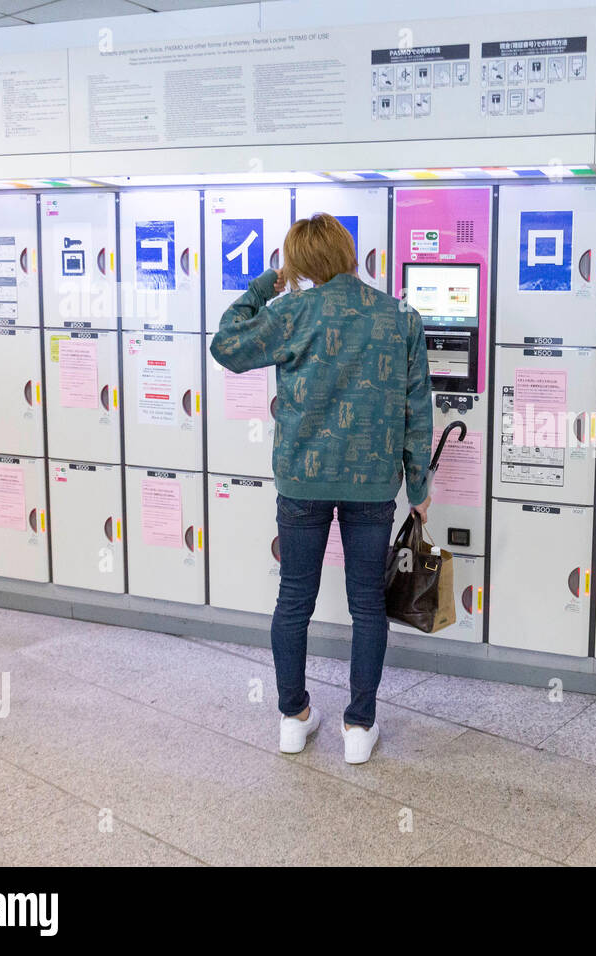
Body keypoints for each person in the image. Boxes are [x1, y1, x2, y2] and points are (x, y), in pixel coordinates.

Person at [210, 213, 431, 764]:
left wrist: (268, 283)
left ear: (301, 263)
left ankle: (294, 717)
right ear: (349, 253)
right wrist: (419, 484)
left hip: (302, 479)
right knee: (366, 604)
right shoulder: (400, 316)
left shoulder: (289, 312)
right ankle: (359, 727)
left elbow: (226, 345)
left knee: (294, 600)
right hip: (373, 484)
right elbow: (416, 408)